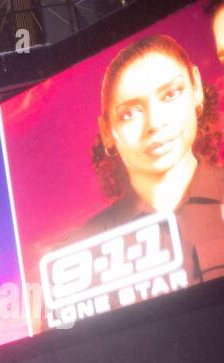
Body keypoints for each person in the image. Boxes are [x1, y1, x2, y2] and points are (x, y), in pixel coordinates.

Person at [80, 33, 224, 285]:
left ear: (196, 89)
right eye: (130, 113)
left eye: (171, 94)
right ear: (107, 132)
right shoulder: (83, 252)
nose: (155, 123)